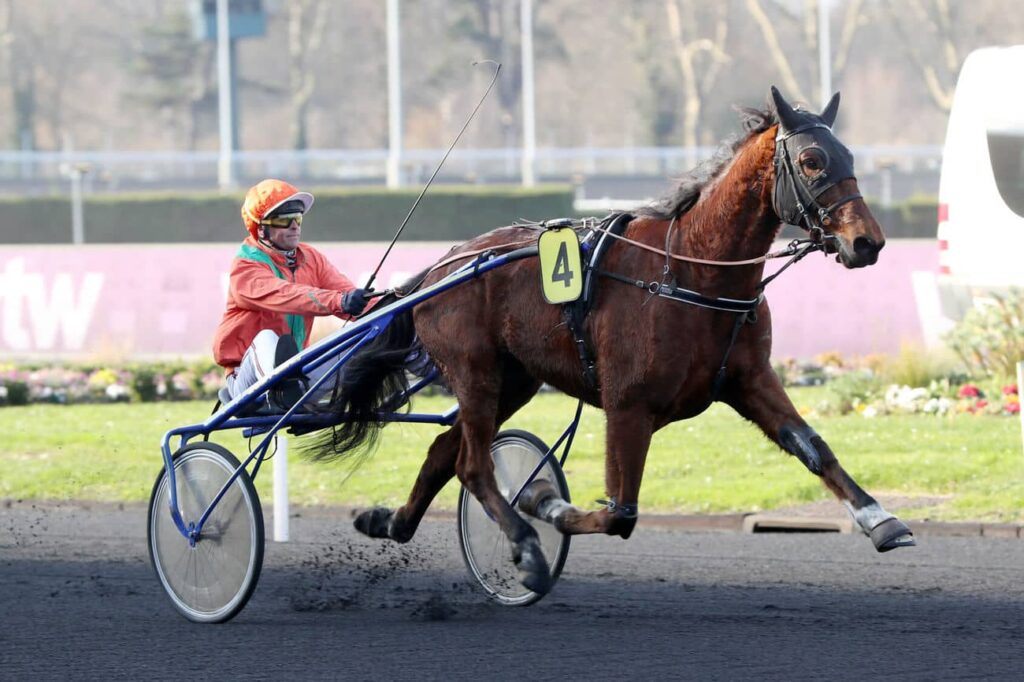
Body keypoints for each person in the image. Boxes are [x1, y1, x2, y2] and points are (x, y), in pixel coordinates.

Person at [212, 178, 370, 409]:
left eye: (297, 218)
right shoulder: (246, 266)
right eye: (284, 221)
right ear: (261, 228)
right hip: (247, 385)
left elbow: (349, 294)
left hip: (298, 373)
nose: (294, 226)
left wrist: (396, 305)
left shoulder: (311, 258)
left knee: (362, 338)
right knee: (268, 339)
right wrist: (340, 302)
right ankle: (282, 391)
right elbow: (287, 295)